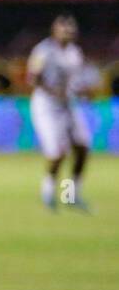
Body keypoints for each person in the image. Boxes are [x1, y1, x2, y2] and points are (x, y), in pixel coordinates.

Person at [28, 13, 94, 211]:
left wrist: (83, 91)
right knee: (58, 152)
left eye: (71, 30)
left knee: (82, 146)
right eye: (64, 29)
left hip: (68, 104)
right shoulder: (43, 50)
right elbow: (33, 78)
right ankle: (48, 192)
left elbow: (77, 80)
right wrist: (53, 91)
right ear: (55, 30)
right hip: (46, 106)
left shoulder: (74, 52)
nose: (68, 33)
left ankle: (70, 195)